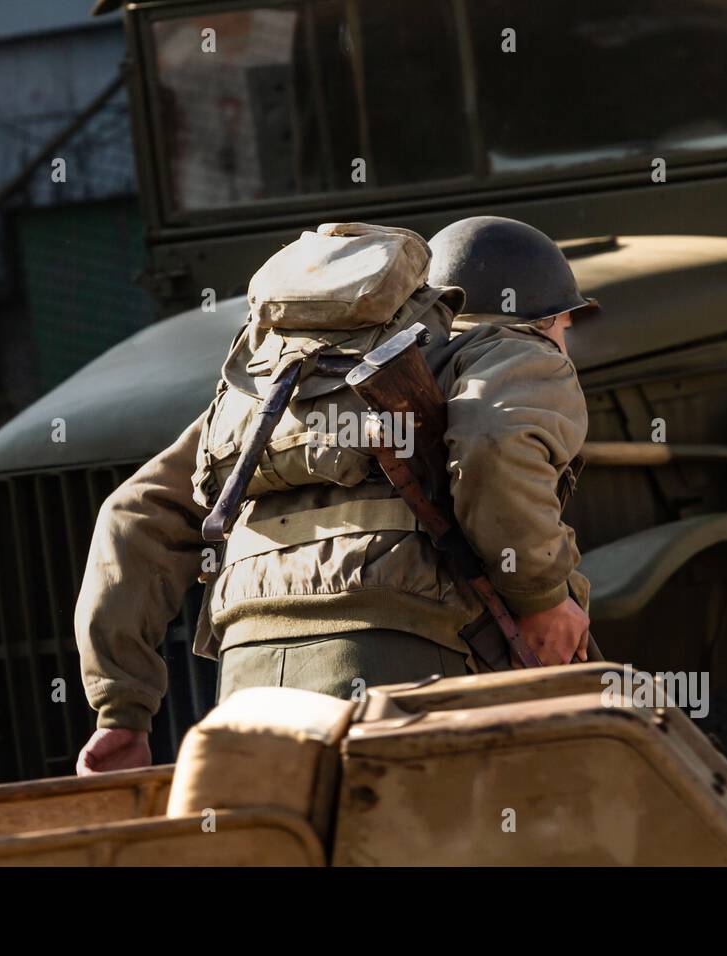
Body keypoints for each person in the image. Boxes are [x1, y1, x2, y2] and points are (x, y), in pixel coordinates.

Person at [75, 218, 596, 774]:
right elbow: (495, 443)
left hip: (250, 671)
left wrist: (122, 713)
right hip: (403, 655)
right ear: (547, 320)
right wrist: (541, 595)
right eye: (566, 325)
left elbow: (133, 514)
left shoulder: (284, 386)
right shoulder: (518, 354)